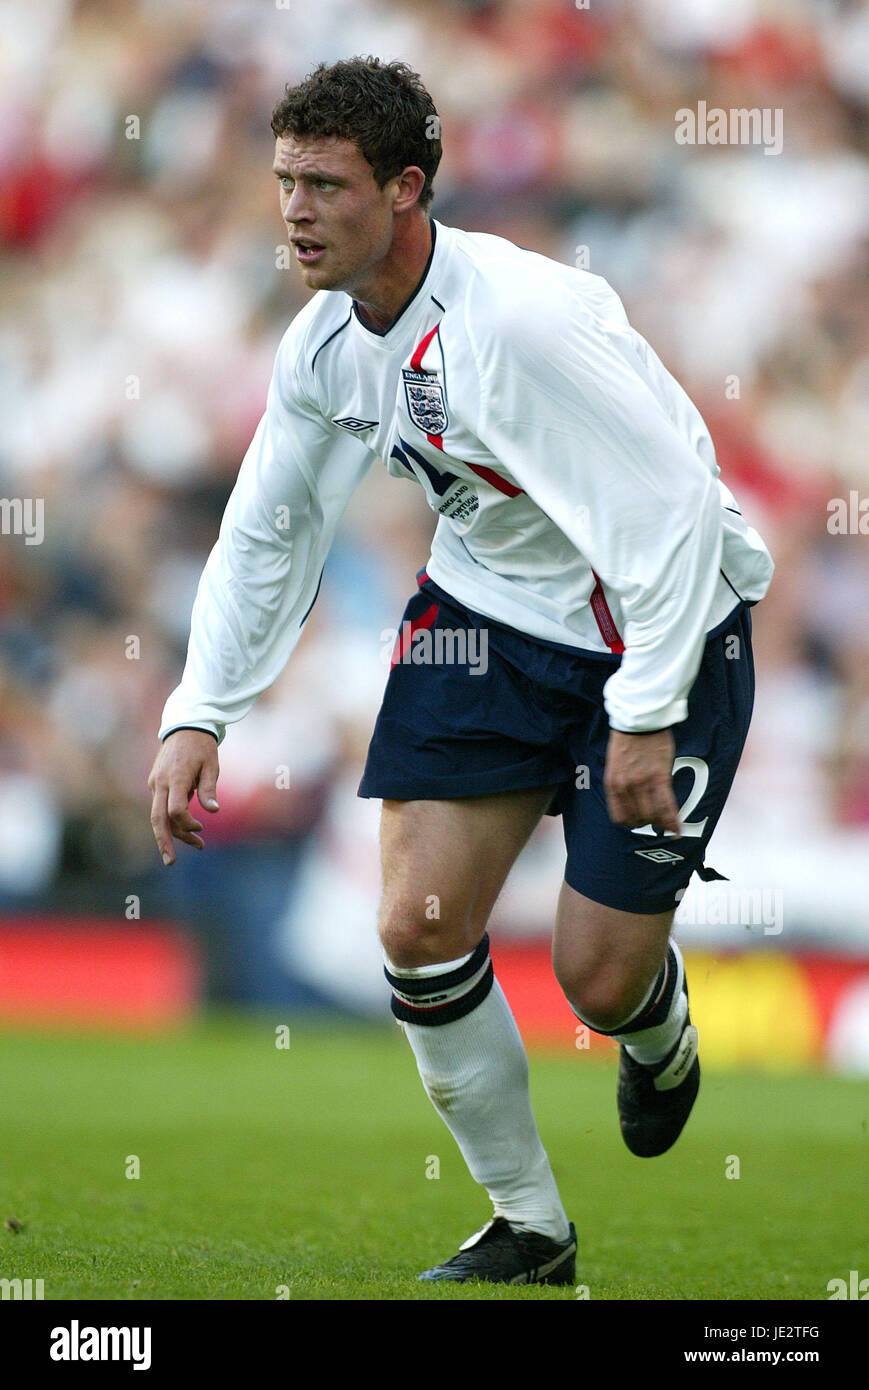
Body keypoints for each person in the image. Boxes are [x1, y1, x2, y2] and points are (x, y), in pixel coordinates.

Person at [148, 56, 774, 1286]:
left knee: (594, 978)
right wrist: (200, 708)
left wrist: (643, 713)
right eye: (282, 181)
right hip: (485, 620)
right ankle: (528, 1226)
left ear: (406, 187)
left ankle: (654, 1025)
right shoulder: (325, 344)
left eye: (324, 184)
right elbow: (270, 529)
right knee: (417, 925)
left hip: (661, 625)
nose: (294, 211)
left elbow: (668, 523)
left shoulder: (521, 326)